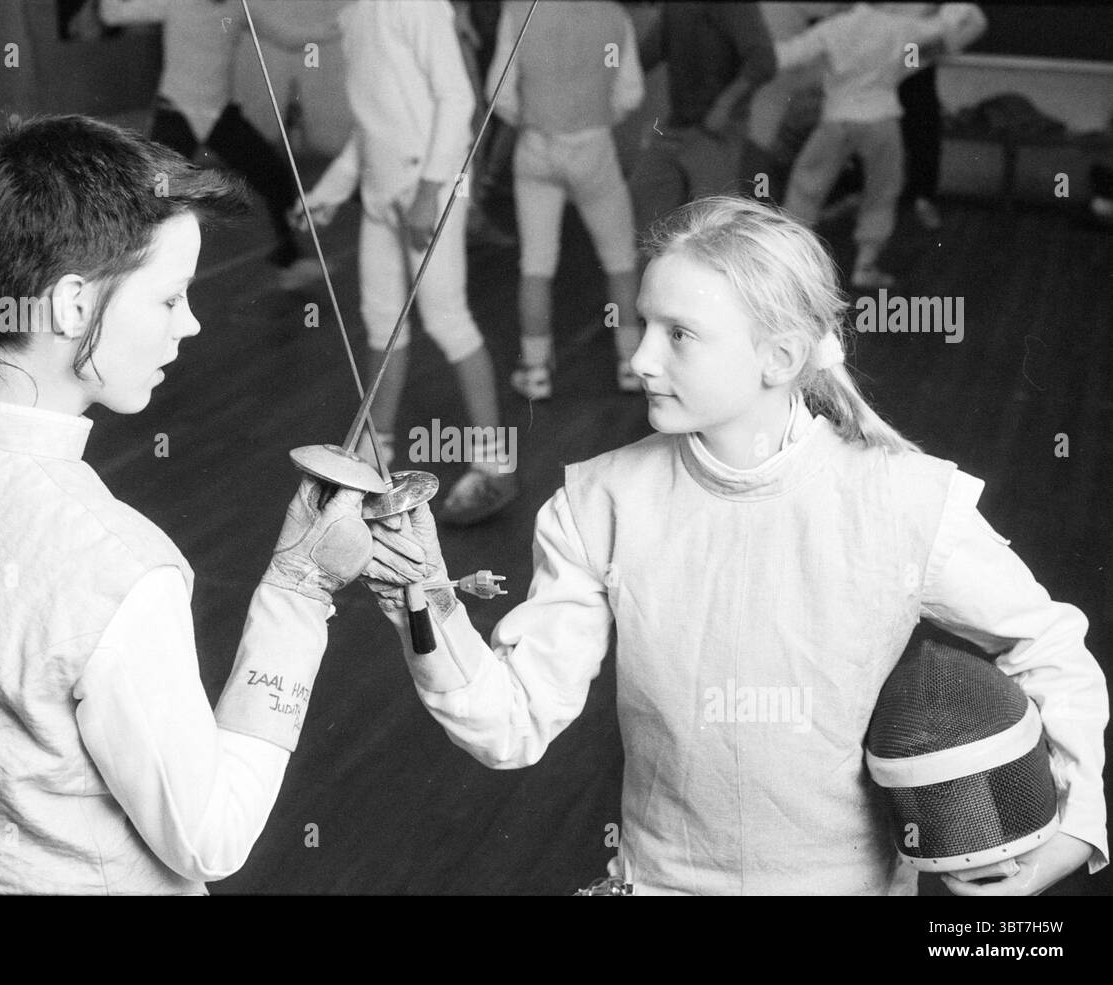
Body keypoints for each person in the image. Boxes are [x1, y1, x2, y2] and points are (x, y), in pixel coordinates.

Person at [362, 196, 1108, 895]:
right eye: (645, 324)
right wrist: (425, 605)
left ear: (778, 357)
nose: (644, 358)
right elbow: (513, 724)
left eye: (678, 334)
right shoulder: (599, 503)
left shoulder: (903, 500)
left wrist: (1072, 828)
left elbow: (1051, 646)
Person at [0, 115, 416, 894]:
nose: (190, 323)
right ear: (71, 306)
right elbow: (209, 838)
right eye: (168, 299)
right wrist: (299, 590)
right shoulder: (116, 568)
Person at [302, 0, 518, 526]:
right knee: (381, 326)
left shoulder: (419, 6)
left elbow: (457, 97)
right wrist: (329, 191)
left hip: (431, 189)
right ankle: (376, 461)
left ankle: (498, 470)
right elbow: (369, 126)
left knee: (448, 320)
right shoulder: (354, 15)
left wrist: (428, 192)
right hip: (382, 198)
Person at [489, 0, 645, 399]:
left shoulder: (518, 12)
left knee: (536, 263)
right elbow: (631, 93)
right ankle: (630, 364)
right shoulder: (613, 15)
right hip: (593, 146)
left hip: (536, 146)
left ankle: (536, 370)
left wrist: (535, 117)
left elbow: (499, 93)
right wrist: (597, 116)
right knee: (620, 260)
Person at [776, 3, 987, 288]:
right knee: (882, 191)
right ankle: (865, 266)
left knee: (806, 186)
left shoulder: (834, 27)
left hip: (836, 119)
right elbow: (962, 22)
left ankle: (788, 262)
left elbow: (786, 56)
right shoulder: (897, 26)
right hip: (881, 120)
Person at [150, 0, 336, 290]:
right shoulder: (174, 3)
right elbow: (114, 13)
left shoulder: (238, 8)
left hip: (220, 114)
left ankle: (290, 262)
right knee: (151, 192)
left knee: (275, 177)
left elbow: (288, 37)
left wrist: (336, 26)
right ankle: (120, 273)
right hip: (178, 111)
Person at [629, 3, 777, 238]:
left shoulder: (736, 8)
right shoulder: (674, 7)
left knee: (716, 222)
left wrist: (725, 104)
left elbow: (764, 60)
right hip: (677, 125)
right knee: (646, 198)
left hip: (717, 130)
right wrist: (610, 64)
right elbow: (646, 55)